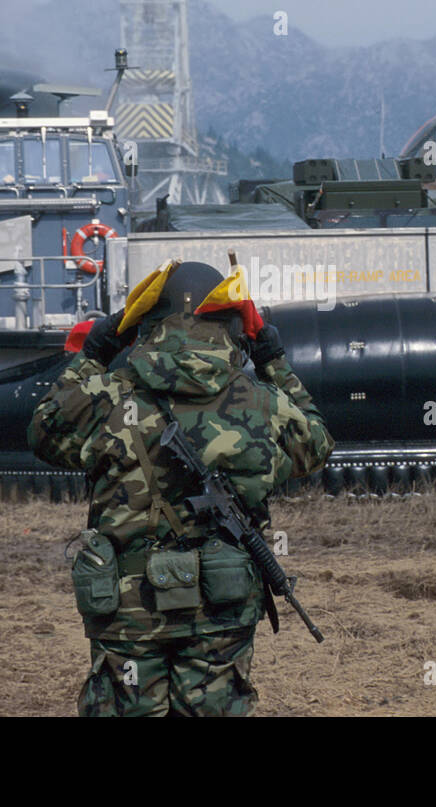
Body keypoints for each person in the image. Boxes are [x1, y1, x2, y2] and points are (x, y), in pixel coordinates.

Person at [28, 259, 334, 716]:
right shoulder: (262, 403)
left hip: (128, 610)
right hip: (222, 605)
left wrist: (92, 353)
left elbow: (44, 432)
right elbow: (317, 444)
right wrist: (273, 362)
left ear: (146, 327)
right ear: (231, 326)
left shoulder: (107, 397)